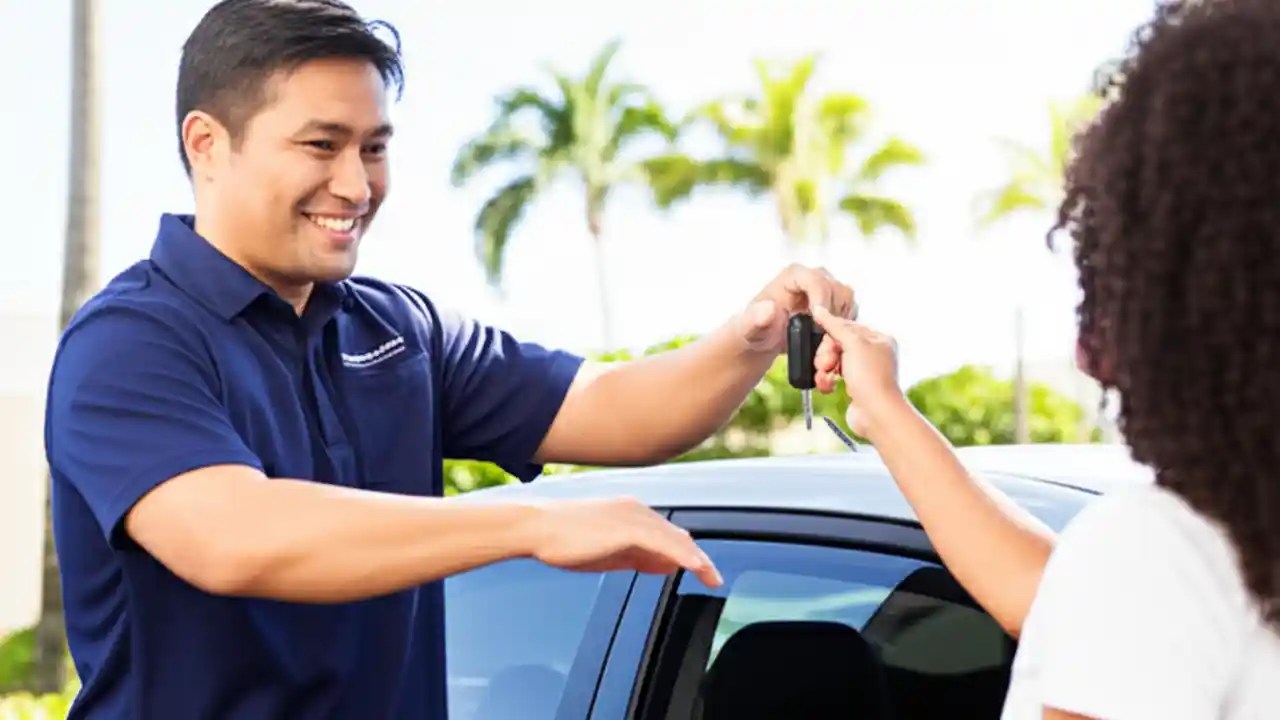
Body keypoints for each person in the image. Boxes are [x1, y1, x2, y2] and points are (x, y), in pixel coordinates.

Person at [41, 1, 856, 718]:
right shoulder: (129, 343)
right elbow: (233, 535)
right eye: (321, 145)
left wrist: (747, 340)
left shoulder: (398, 328)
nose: (355, 186)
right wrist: (530, 527)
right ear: (207, 144)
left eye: (373, 148)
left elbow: (619, 409)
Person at [810, 0, 1280, 717]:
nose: (1088, 356)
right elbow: (1070, 607)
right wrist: (887, 415)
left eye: (1115, 284)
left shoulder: (1160, 555)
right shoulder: (1188, 572)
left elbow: (1120, 608)